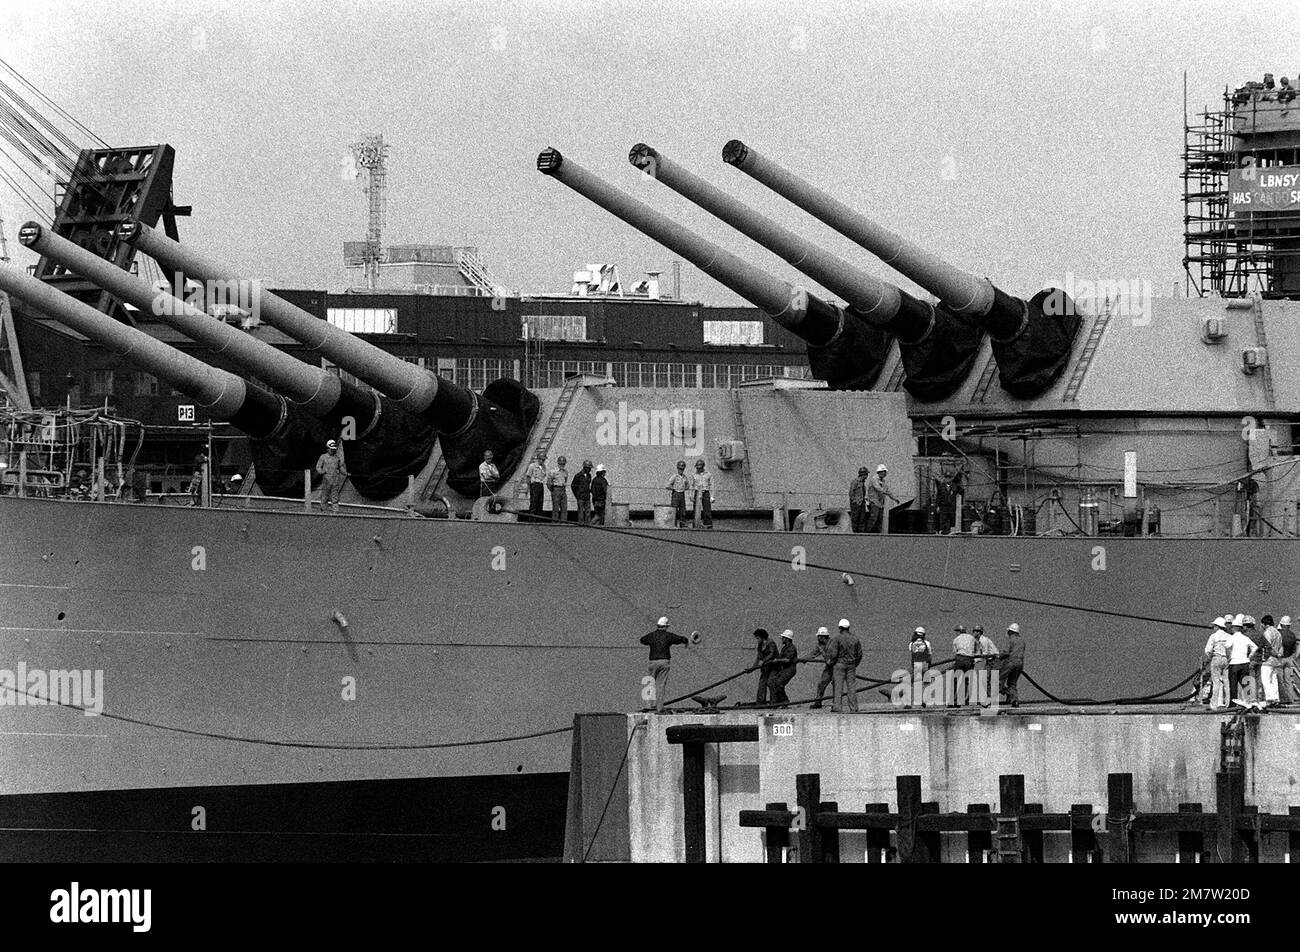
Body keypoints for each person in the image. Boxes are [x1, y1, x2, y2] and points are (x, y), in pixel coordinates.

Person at [640, 616, 689, 713]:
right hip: (664, 661)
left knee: (649, 682)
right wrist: (686, 641)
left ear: (658, 626)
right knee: (660, 685)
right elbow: (680, 639)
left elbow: (642, 640)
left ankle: (647, 706)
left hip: (653, 662)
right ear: (666, 627)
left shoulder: (651, 635)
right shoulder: (668, 636)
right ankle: (660, 708)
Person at [826, 618, 862, 713]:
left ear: (840, 628)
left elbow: (833, 654)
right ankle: (853, 708)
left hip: (839, 665)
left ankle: (837, 707)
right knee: (851, 687)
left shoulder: (837, 638)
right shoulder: (855, 639)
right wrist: (854, 664)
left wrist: (831, 662)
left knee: (838, 687)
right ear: (848, 627)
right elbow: (859, 654)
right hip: (851, 665)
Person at [1227, 615, 1257, 703]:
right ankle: (1249, 701)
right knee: (1245, 684)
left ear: (1234, 628)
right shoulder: (1245, 638)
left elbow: (1227, 646)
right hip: (1245, 663)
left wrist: (1229, 657)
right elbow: (1254, 647)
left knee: (1233, 685)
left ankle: (1233, 704)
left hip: (1234, 664)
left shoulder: (1231, 638)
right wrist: (1249, 657)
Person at [1204, 618, 1232, 711]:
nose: (1213, 628)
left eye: (1214, 626)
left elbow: (1208, 650)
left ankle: (1214, 705)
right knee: (1227, 682)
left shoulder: (1213, 636)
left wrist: (1210, 657)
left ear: (1217, 626)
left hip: (1216, 658)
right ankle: (1228, 704)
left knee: (1216, 683)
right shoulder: (1229, 636)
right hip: (1226, 659)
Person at [865, 464, 899, 533]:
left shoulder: (883, 481)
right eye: (884, 472)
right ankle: (867, 532)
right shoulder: (874, 479)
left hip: (880, 503)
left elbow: (887, 490)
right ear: (880, 472)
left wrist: (894, 498)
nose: (885, 473)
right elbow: (878, 488)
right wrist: (885, 492)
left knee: (880, 519)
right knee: (873, 518)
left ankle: (878, 534)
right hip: (874, 502)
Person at [315, 440, 347, 513]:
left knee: (335, 496)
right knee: (325, 496)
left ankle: (335, 511)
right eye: (331, 449)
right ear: (328, 448)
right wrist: (322, 471)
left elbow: (340, 467)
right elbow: (318, 467)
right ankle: (324, 510)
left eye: (334, 449)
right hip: (326, 480)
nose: (333, 451)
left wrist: (346, 473)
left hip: (335, 480)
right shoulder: (323, 457)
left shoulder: (337, 458)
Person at [768, 630, 799, 704]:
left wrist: (777, 660)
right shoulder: (784, 648)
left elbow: (787, 660)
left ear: (787, 638)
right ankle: (776, 701)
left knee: (779, 683)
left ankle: (784, 701)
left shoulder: (791, 648)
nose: (782, 639)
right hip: (784, 669)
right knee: (773, 682)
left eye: (783, 637)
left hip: (790, 669)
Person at [809, 626, 835, 709]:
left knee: (836, 684)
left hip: (836, 667)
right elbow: (812, 654)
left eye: (818, 636)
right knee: (821, 684)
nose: (817, 638)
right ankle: (818, 702)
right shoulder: (820, 645)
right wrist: (802, 659)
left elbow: (834, 656)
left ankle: (836, 703)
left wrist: (830, 659)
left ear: (822, 637)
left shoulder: (833, 643)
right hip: (829, 668)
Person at [1001, 623, 1026, 708]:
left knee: (997, 681)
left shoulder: (1011, 639)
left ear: (1011, 631)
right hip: (1020, 663)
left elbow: (1006, 652)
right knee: (1012, 683)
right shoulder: (1022, 640)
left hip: (1011, 662)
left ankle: (1008, 693)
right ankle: (1014, 700)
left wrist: (999, 656)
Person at [1260, 614, 1282, 706]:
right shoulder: (1278, 633)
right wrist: (1278, 654)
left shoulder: (1267, 632)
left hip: (1268, 660)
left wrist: (1264, 657)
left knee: (1266, 679)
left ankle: (1269, 699)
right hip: (1276, 660)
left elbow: (1267, 646)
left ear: (1264, 624)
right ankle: (1276, 698)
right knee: (1274, 679)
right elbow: (1280, 647)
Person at [752, 628, 778, 705]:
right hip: (766, 668)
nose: (757, 640)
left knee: (770, 682)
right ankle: (760, 702)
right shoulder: (760, 645)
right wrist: (753, 667)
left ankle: (774, 702)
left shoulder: (771, 643)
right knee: (761, 684)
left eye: (757, 638)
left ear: (762, 637)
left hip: (773, 667)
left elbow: (772, 654)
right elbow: (758, 657)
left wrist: (763, 661)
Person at [1278, 616, 1299, 703]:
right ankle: (1291, 698)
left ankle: (1282, 699)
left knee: (1280, 680)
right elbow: (1295, 650)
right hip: (1289, 659)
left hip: (1280, 659)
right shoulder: (1292, 635)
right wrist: (1291, 657)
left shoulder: (1278, 634)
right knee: (1288, 681)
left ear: (1282, 624)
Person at [524, 451, 548, 519]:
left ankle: (538, 519)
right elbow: (528, 476)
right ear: (538, 459)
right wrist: (529, 487)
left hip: (540, 485)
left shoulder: (544, 467)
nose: (543, 461)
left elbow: (543, 476)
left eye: (544, 460)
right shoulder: (532, 466)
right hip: (534, 485)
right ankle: (531, 519)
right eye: (542, 459)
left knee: (540, 503)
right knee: (533, 503)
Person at [691, 459, 713, 529]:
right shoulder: (694, 475)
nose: (698, 469)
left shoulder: (708, 474)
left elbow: (712, 485)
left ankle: (708, 524)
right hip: (697, 492)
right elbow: (692, 485)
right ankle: (695, 524)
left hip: (705, 492)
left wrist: (712, 496)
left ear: (703, 467)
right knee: (695, 510)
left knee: (707, 509)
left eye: (700, 468)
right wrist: (691, 495)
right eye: (697, 468)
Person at [667, 461, 690, 528]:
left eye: (682, 469)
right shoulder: (674, 476)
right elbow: (668, 485)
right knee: (674, 510)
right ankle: (673, 524)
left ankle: (682, 524)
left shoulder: (685, 477)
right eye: (680, 469)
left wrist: (683, 489)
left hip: (682, 494)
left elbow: (688, 486)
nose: (681, 470)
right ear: (677, 468)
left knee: (683, 510)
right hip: (676, 494)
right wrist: (674, 488)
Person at [547, 455, 569, 522]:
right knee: (556, 507)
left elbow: (565, 480)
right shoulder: (553, 471)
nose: (562, 465)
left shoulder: (565, 472)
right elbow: (549, 483)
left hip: (563, 489)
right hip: (556, 489)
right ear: (558, 463)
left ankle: (563, 521)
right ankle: (554, 521)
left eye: (563, 464)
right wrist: (553, 490)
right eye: (561, 463)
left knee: (564, 507)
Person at [571, 460, 594, 524]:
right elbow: (573, 486)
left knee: (588, 511)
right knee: (580, 511)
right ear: (585, 467)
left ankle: (588, 523)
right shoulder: (578, 475)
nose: (590, 470)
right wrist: (577, 495)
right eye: (589, 468)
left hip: (587, 496)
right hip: (580, 496)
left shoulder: (589, 476)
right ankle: (581, 523)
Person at [849, 467, 868, 533]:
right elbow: (851, 492)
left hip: (862, 503)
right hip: (856, 504)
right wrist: (854, 501)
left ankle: (860, 532)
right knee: (855, 518)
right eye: (866, 474)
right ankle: (854, 532)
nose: (867, 476)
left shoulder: (862, 483)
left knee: (862, 518)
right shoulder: (855, 481)